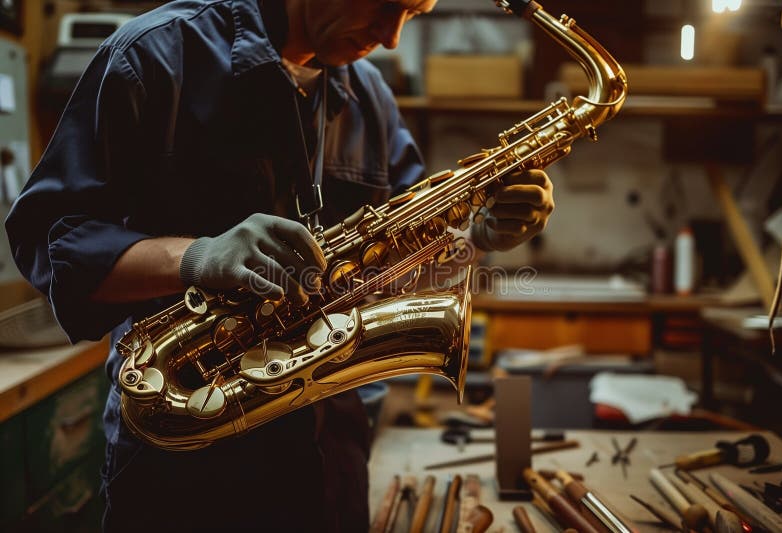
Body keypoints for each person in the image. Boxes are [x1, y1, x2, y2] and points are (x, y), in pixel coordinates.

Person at [5, 0, 554, 531]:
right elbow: (50, 243)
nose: (392, 38)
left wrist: (471, 234)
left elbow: (399, 260)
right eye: (386, 5)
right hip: (186, 456)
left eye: (413, 14)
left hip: (331, 460)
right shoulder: (152, 57)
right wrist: (194, 256)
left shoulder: (369, 93)